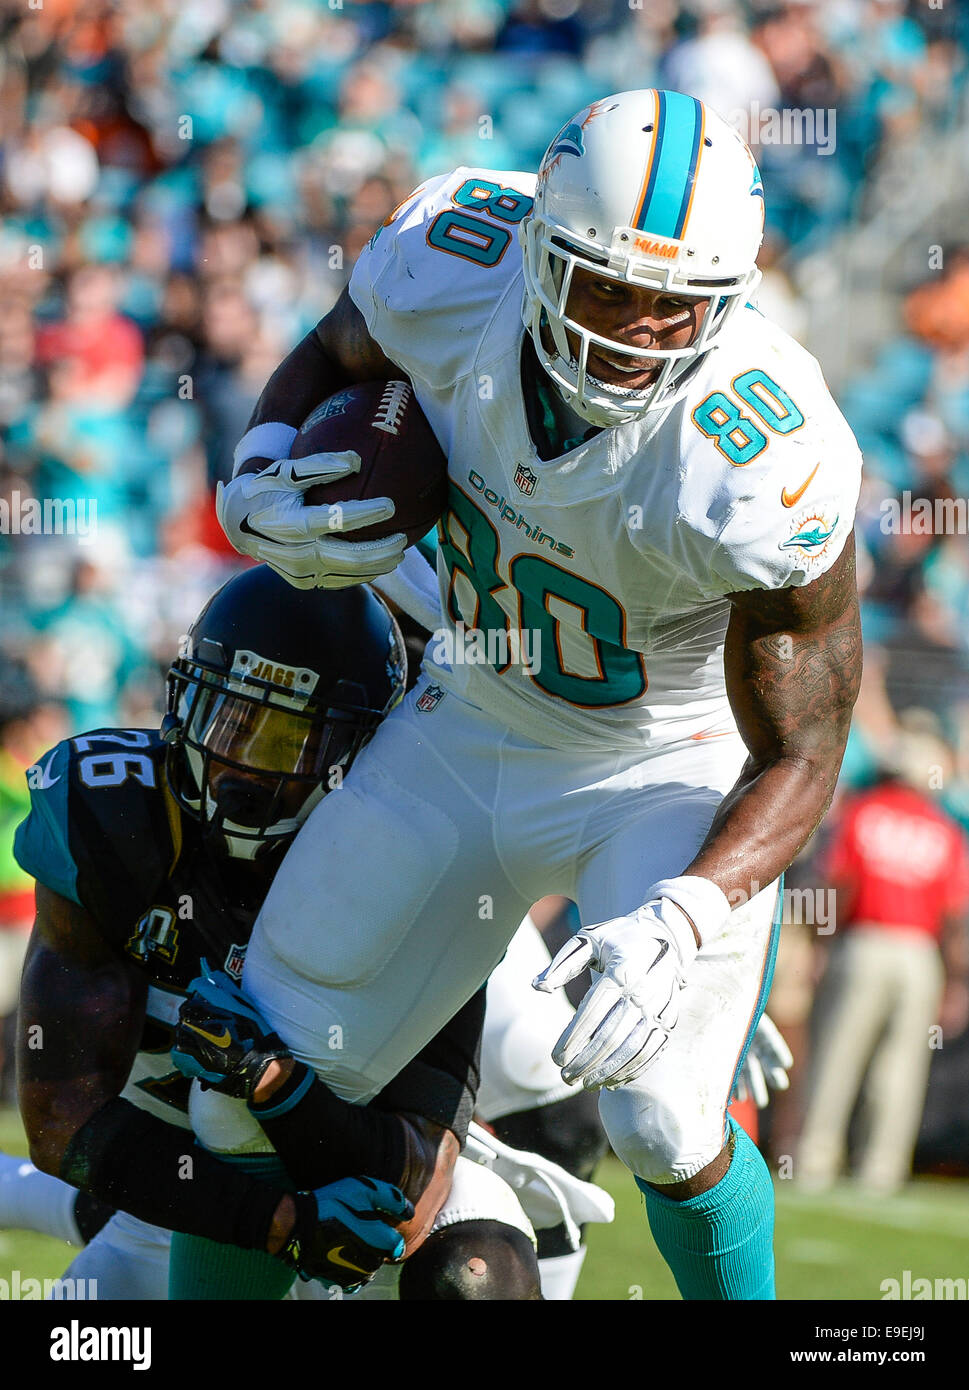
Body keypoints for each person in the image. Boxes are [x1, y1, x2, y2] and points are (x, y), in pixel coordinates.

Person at [202, 88, 863, 1301]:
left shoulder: (764, 456)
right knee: (247, 1078)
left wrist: (687, 914)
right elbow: (333, 352)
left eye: (676, 307)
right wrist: (256, 463)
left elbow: (805, 751)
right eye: (606, 287)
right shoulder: (452, 262)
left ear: (734, 298)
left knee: (662, 1118)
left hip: (664, 761)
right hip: (472, 712)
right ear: (540, 246)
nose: (636, 333)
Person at [13, 564, 546, 1299]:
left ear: (360, 751)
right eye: (229, 719)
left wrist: (274, 1084)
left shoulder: (413, 859)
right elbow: (63, 1124)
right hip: (183, 1202)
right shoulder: (111, 820)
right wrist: (280, 1222)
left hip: (360, 1192)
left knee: (473, 1279)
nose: (244, 766)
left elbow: (418, 1175)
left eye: (291, 741)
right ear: (180, 699)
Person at [797, 726, 969, 1194]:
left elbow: (837, 887)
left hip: (863, 945)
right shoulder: (945, 830)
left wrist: (821, 945)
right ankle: (881, 1170)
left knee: (836, 1058)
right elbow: (955, 917)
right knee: (901, 1070)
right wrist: (955, 982)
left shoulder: (863, 812)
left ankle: (815, 1162)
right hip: (920, 956)